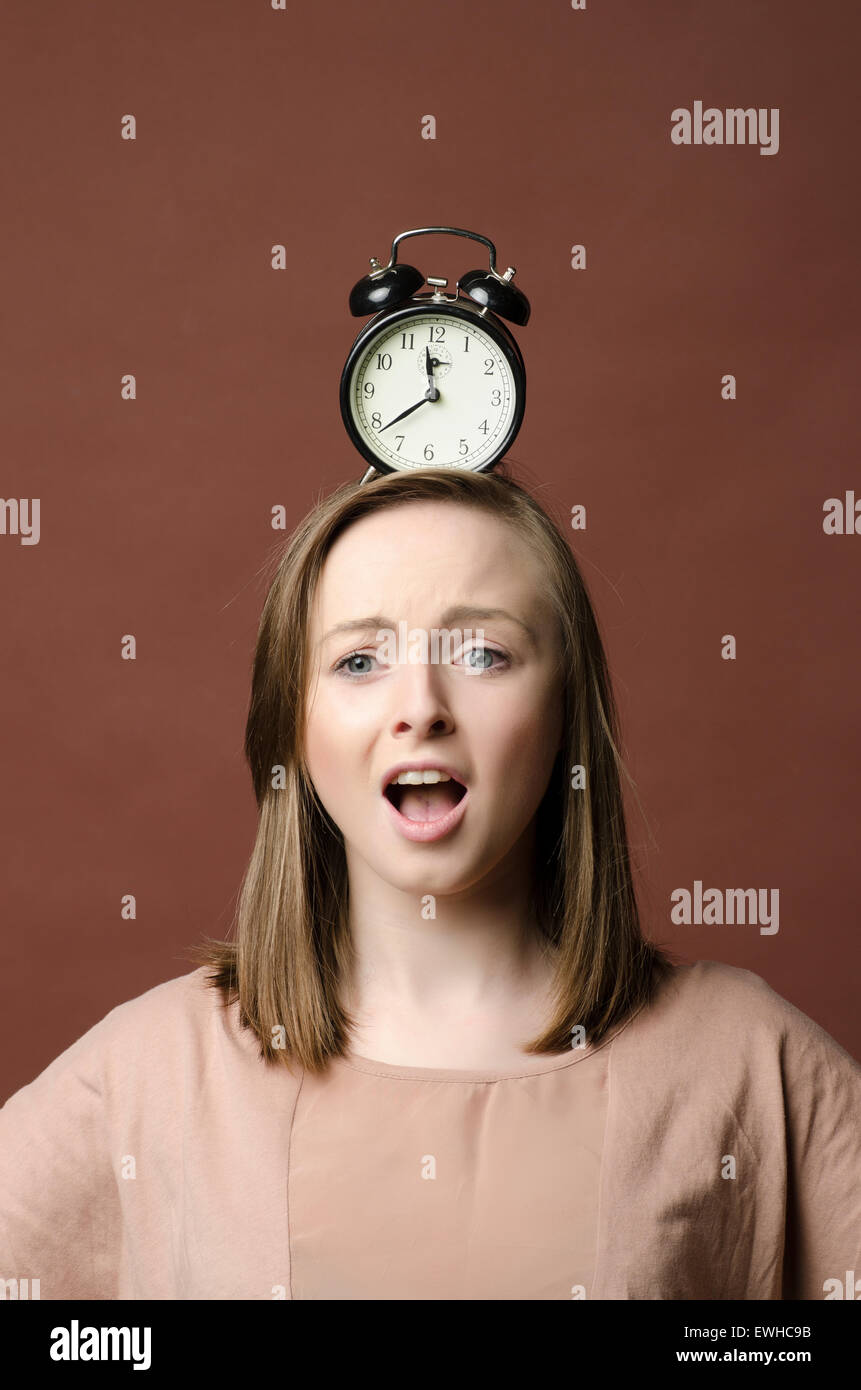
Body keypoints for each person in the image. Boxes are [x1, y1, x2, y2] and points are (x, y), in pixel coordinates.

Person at [1, 465, 858, 1300]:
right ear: (291, 729)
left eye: (483, 652)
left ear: (566, 716)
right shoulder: (152, 1071)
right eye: (360, 661)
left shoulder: (747, 1062)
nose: (421, 705)